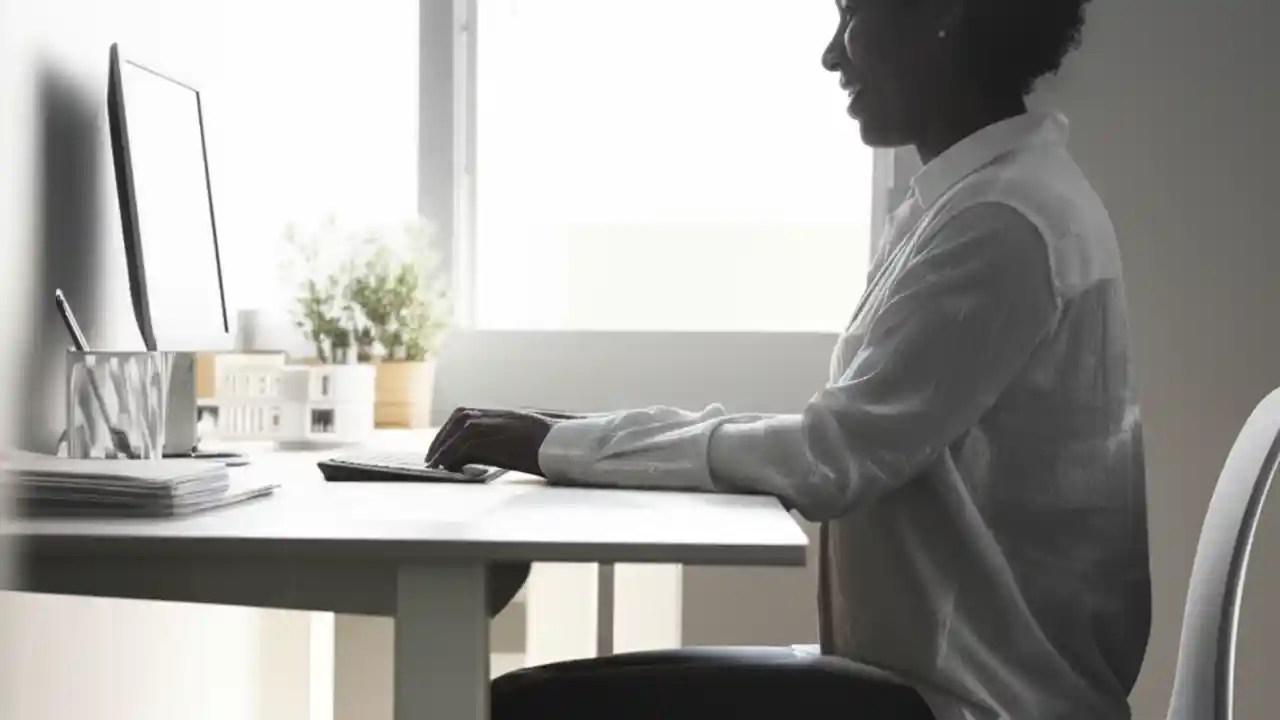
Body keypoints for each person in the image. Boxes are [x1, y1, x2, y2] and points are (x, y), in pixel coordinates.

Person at [429, 0, 1152, 717]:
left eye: (852, 15)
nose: (833, 55)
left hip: (973, 701)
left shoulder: (1002, 221)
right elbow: (841, 433)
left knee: (527, 708)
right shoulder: (983, 200)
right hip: (951, 681)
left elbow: (828, 457)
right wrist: (573, 435)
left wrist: (564, 442)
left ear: (944, 16)